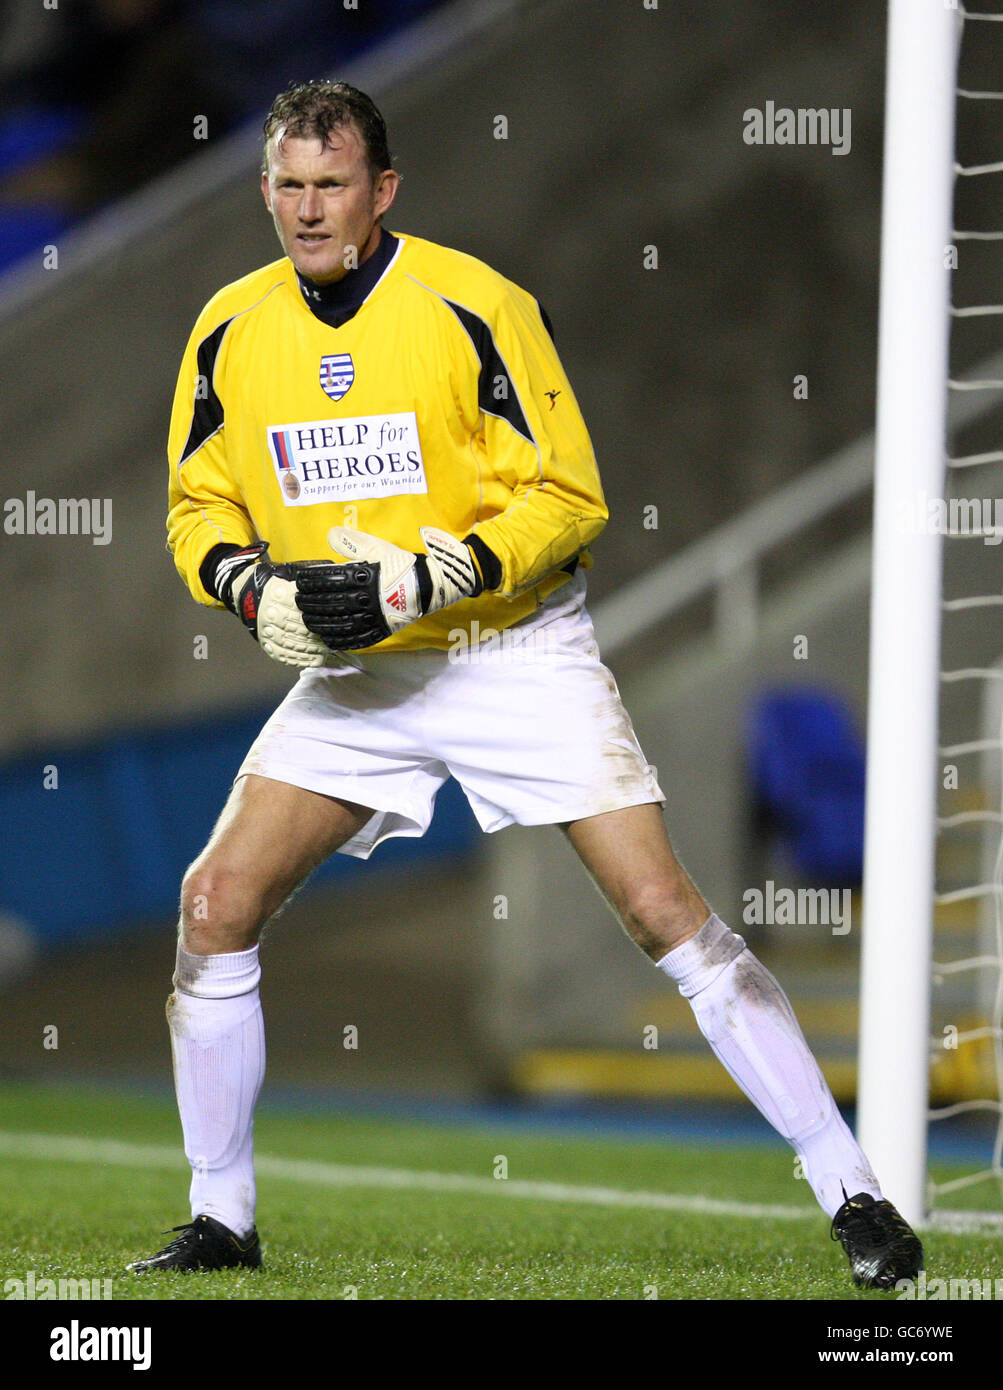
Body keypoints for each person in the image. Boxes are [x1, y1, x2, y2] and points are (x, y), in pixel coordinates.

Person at [128, 80, 922, 1289]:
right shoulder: (232, 327)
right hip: (359, 679)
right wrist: (252, 590)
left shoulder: (473, 304)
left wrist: (430, 577)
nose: (305, 208)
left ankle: (854, 1192)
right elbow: (199, 506)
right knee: (214, 901)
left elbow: (568, 493)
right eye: (285, 185)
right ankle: (221, 1218)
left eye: (329, 183)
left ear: (382, 190)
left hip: (508, 652)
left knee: (662, 911)